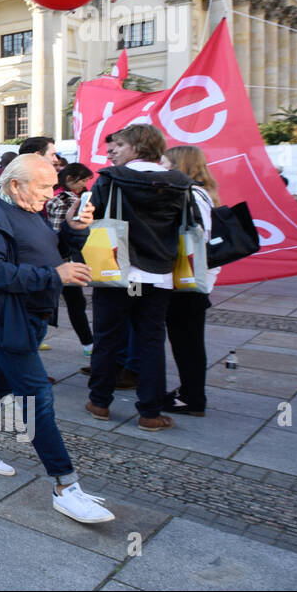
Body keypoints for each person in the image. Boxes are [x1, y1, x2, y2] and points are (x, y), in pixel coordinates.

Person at [0, 154, 114, 522]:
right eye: (43, 187)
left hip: (30, 315)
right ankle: (64, 485)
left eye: (51, 186)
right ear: (14, 185)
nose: (50, 194)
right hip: (8, 320)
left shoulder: (28, 209)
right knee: (37, 397)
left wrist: (73, 229)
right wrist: (55, 276)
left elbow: (47, 249)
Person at [84, 124, 193, 433]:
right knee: (151, 342)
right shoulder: (179, 183)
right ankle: (150, 411)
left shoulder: (110, 180)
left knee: (107, 338)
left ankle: (100, 402)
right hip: (158, 273)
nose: (111, 150)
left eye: (118, 144)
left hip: (115, 269)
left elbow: (87, 219)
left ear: (137, 146)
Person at [159, 146, 218, 418]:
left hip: (188, 279)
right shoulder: (200, 192)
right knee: (187, 340)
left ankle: (193, 397)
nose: (161, 167)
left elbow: (197, 237)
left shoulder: (191, 194)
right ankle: (190, 392)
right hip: (192, 277)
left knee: (188, 342)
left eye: (165, 163)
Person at [46, 162, 95, 356]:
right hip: (63, 259)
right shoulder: (62, 200)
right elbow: (57, 233)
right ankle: (88, 344)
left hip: (64, 258)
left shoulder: (68, 198)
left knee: (70, 301)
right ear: (69, 179)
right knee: (73, 302)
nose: (84, 184)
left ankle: (88, 344)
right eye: (82, 180)